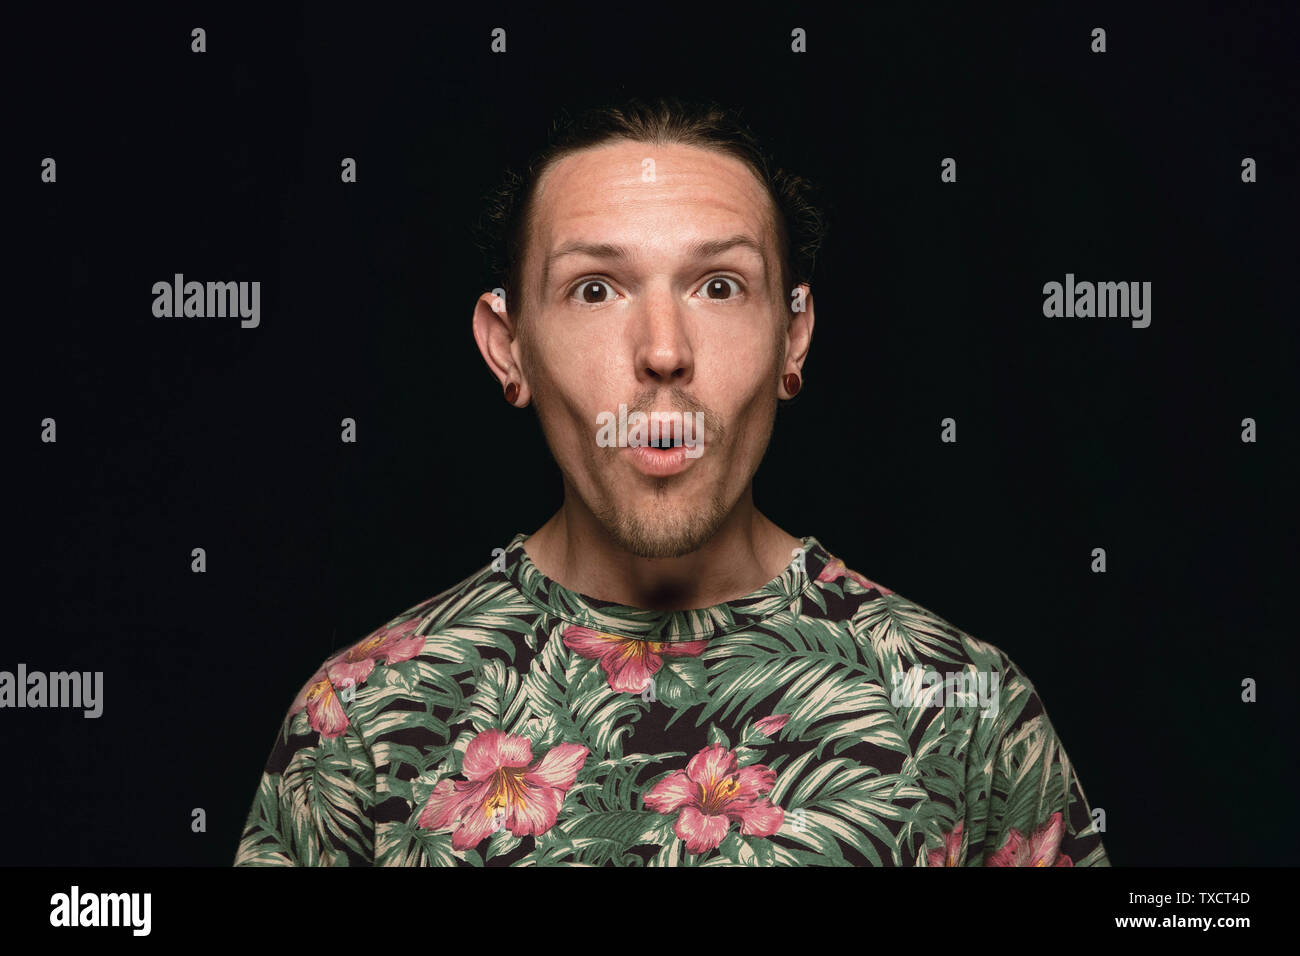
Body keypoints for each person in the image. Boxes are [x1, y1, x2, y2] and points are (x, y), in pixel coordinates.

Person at [234, 96, 1109, 866]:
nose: (663, 350)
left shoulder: (966, 710)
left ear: (793, 338)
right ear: (510, 347)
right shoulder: (362, 722)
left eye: (719, 286)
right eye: (594, 290)